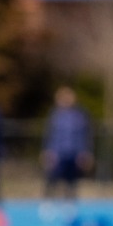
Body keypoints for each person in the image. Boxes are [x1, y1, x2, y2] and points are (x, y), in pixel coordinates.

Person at [39, 85, 94, 218]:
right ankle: (48, 203)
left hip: (73, 153)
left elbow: (85, 135)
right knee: (52, 179)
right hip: (57, 153)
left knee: (71, 180)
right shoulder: (55, 115)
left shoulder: (80, 115)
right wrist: (47, 151)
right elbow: (49, 134)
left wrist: (85, 152)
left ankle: (69, 204)